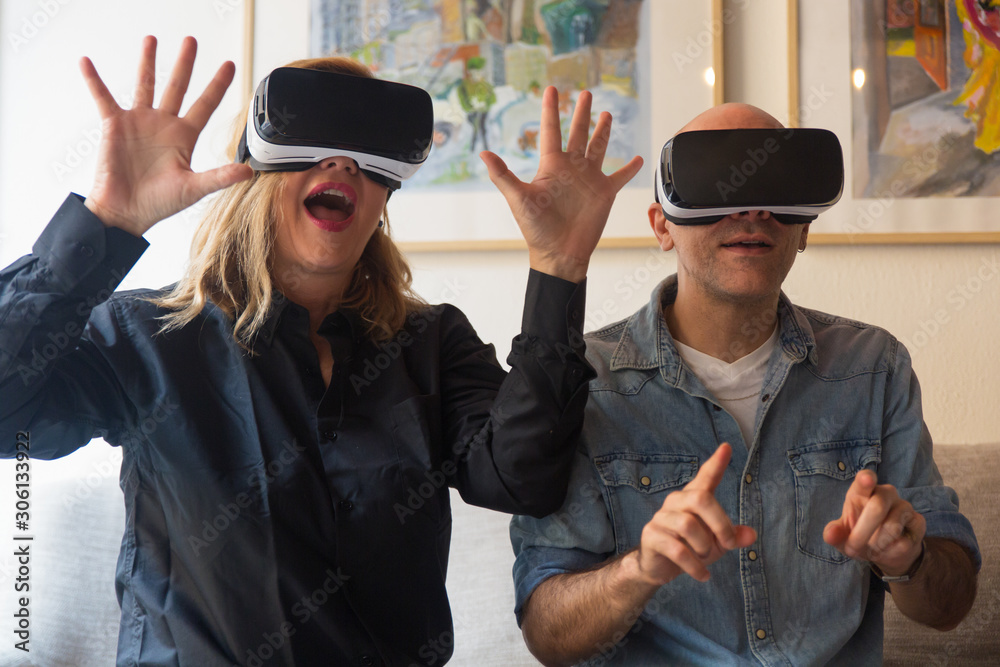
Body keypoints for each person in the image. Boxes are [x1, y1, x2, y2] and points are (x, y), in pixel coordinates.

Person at [0, 36, 642, 666]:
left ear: (384, 199)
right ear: (252, 172)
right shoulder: (147, 335)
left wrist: (559, 270)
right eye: (313, 141)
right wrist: (104, 223)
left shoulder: (433, 345)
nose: (342, 167)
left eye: (367, 154)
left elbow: (521, 477)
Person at [509, 103, 981, 665]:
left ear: (804, 228)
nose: (754, 210)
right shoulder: (583, 381)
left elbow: (950, 607)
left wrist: (909, 560)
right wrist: (638, 570)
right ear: (663, 226)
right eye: (717, 186)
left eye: (777, 188)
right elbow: (546, 634)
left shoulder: (873, 367)